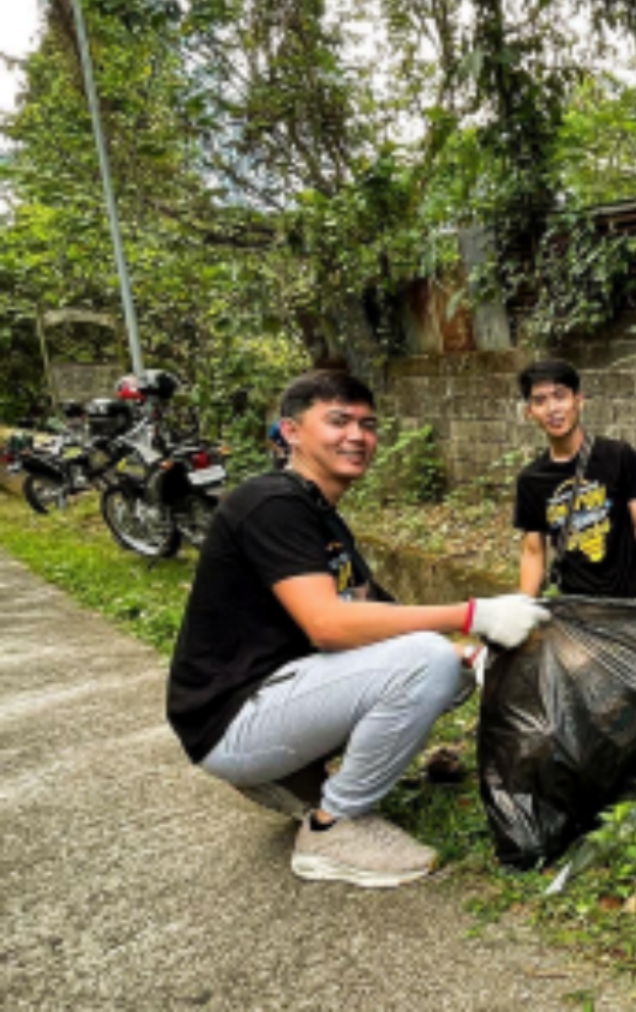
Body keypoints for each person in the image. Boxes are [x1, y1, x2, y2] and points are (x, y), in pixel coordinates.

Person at [167, 370, 549, 889]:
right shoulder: (270, 503)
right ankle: (332, 827)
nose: (358, 436)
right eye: (338, 420)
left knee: (453, 668)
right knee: (428, 663)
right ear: (292, 431)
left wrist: (473, 651)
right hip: (233, 723)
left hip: (277, 702)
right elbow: (329, 625)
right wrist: (473, 614)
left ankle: (298, 781)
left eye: (368, 425)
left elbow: (377, 616)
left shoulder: (322, 518)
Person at [513, 359, 636, 598]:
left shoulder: (618, 456)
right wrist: (523, 608)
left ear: (579, 401)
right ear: (529, 412)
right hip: (576, 608)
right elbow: (533, 552)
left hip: (632, 600)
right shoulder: (531, 479)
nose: (552, 408)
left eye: (560, 396)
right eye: (540, 401)